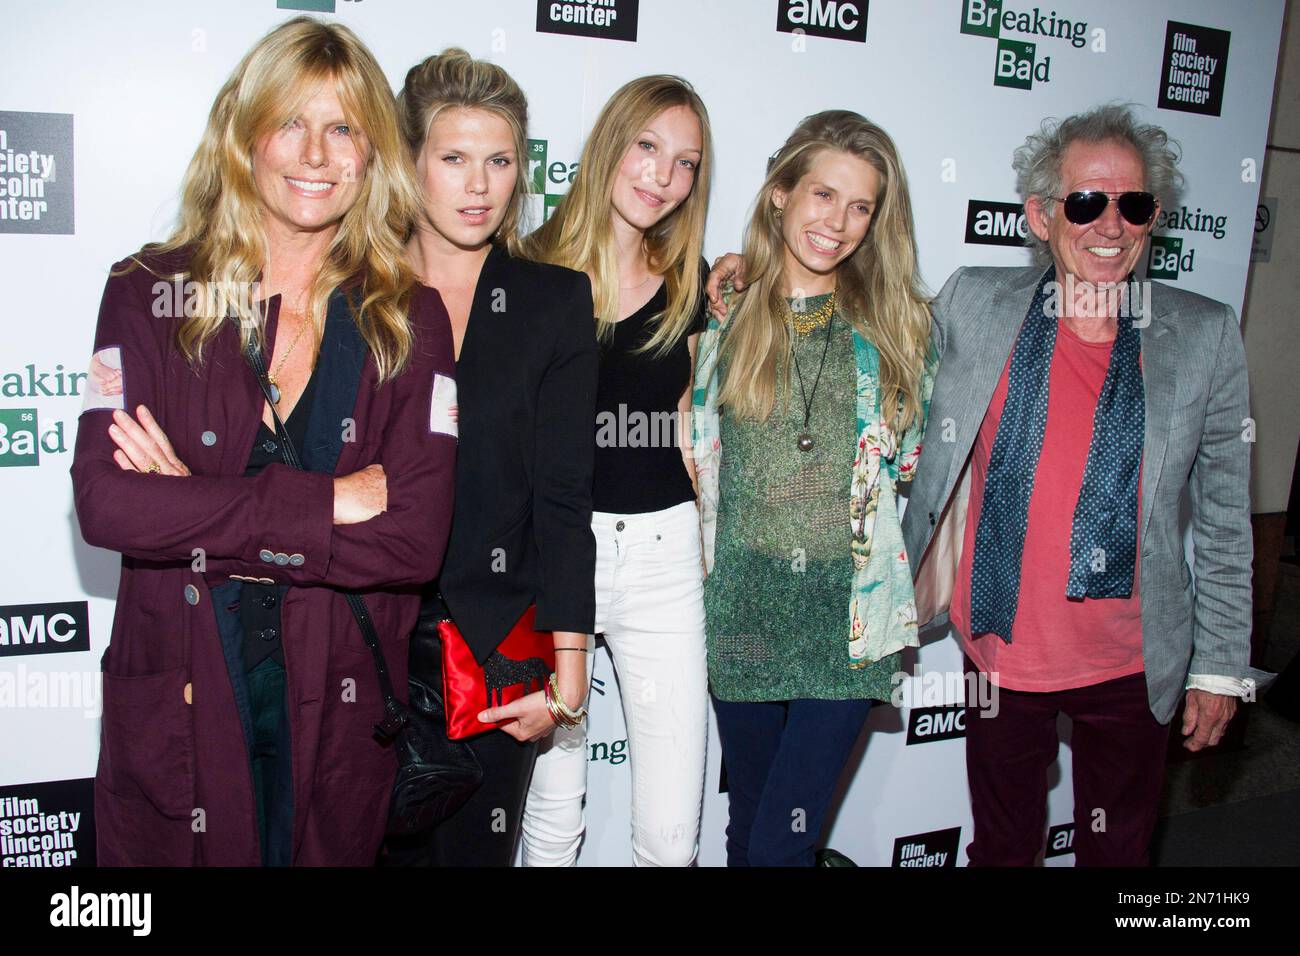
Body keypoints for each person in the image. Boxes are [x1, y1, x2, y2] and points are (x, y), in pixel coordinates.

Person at [71, 16, 457, 866]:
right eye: (291, 121)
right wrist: (324, 505)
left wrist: (199, 513)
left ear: (372, 153)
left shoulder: (412, 318)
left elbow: (413, 537)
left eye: (343, 127)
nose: (316, 154)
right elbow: (107, 501)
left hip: (338, 707)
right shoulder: (146, 293)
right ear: (244, 138)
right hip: (182, 690)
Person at [900, 104, 1271, 865]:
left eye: (1132, 205)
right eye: (1084, 202)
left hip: (1134, 663)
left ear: (1154, 216)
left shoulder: (1203, 335)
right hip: (1002, 649)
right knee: (1003, 849)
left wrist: (1222, 666)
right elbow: (873, 337)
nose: (1110, 225)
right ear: (1040, 215)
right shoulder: (975, 301)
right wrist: (736, 278)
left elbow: (1229, 518)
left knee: (1118, 852)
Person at [694, 110, 934, 866]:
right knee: (749, 827)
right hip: (743, 606)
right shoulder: (725, 312)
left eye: (861, 206)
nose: (839, 222)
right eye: (823, 195)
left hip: (847, 620)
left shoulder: (898, 327)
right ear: (779, 193)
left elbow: (908, 467)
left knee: (784, 845)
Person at [381, 48, 597, 867]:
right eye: (454, 159)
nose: (479, 185)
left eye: (500, 161)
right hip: (361, 644)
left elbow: (564, 500)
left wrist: (563, 672)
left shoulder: (554, 302)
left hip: (495, 656)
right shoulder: (356, 293)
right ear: (410, 166)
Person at [519, 75, 712, 867]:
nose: (662, 177)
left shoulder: (691, 286)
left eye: (686, 163)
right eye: (647, 147)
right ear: (610, 143)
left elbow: (692, 425)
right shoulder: (521, 275)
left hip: (664, 558)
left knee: (671, 836)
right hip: (553, 555)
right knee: (553, 812)